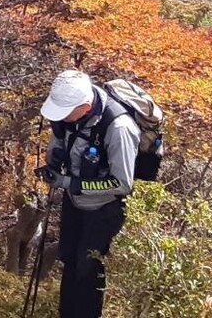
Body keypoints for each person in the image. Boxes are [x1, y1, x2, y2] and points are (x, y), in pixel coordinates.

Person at [40, 69, 140, 318]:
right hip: (74, 202)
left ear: (85, 107)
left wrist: (70, 182)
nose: (60, 118)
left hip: (103, 212)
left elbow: (122, 183)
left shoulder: (119, 127)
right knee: (70, 261)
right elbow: (59, 143)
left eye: (65, 113)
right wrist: (54, 159)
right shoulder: (69, 116)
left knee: (88, 270)